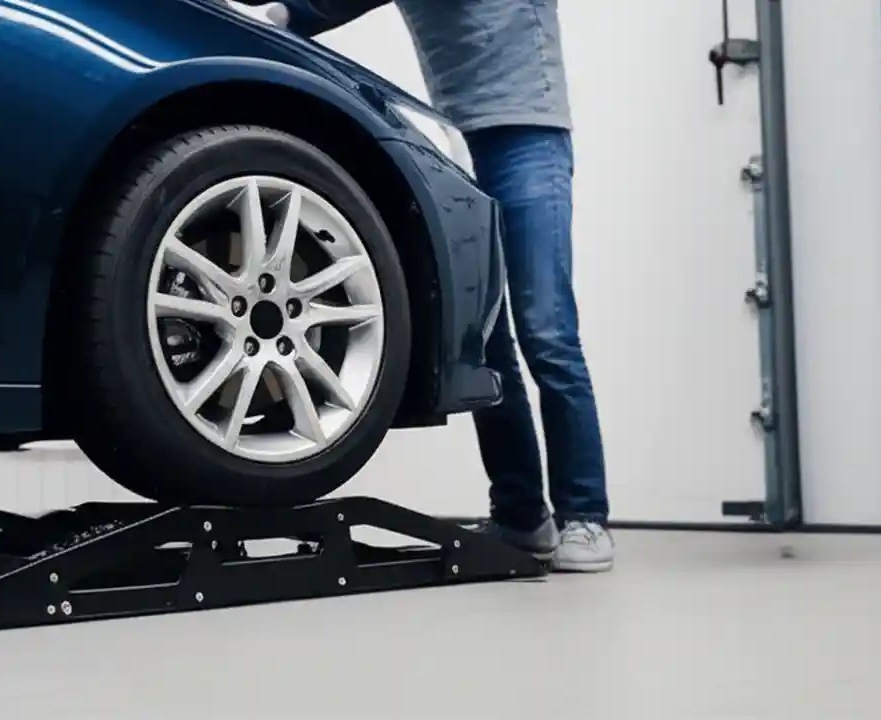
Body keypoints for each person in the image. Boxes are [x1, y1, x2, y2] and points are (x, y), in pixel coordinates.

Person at [242, 0, 615, 572]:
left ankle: (585, 517)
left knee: (548, 332)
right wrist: (276, 14)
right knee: (486, 343)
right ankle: (522, 517)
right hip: (454, 139)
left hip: (529, 139)